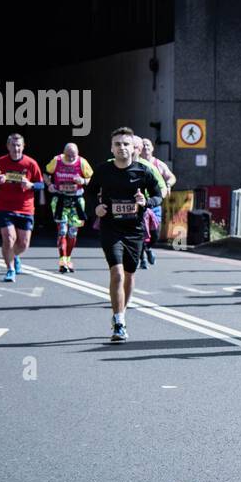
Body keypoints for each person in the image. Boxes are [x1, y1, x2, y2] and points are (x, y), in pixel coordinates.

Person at [90, 128, 164, 342]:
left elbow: (158, 195)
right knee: (118, 274)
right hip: (110, 228)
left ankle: (122, 309)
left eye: (126, 144)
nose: (122, 147)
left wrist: (146, 202)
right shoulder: (103, 170)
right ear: (111, 148)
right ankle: (119, 321)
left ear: (134, 148)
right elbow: (90, 191)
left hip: (135, 229)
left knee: (130, 275)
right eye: (117, 144)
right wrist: (97, 207)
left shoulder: (143, 171)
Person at [0, 134, 44, 283]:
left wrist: (30, 185)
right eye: (13, 145)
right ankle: (10, 269)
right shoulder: (0, 162)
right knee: (9, 239)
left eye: (18, 146)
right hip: (5, 207)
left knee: (23, 244)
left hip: (25, 208)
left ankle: (13, 255)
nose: (16, 148)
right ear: (8, 146)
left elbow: (41, 184)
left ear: (23, 147)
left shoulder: (30, 163)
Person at [45, 143, 93, 274]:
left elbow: (91, 178)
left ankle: (68, 258)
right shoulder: (57, 160)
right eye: (68, 155)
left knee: (72, 233)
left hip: (76, 200)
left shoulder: (82, 162)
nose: (71, 158)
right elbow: (46, 174)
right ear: (63, 153)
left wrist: (83, 181)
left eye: (74, 155)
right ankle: (62, 261)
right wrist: (49, 184)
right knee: (62, 231)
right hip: (60, 199)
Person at [137, 138, 175, 268]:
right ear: (139, 149)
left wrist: (168, 185)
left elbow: (171, 177)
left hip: (154, 204)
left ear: (152, 148)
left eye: (148, 145)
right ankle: (142, 259)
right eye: (144, 145)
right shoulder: (135, 163)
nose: (146, 147)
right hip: (140, 205)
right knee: (141, 232)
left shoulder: (158, 164)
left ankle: (148, 248)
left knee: (154, 234)